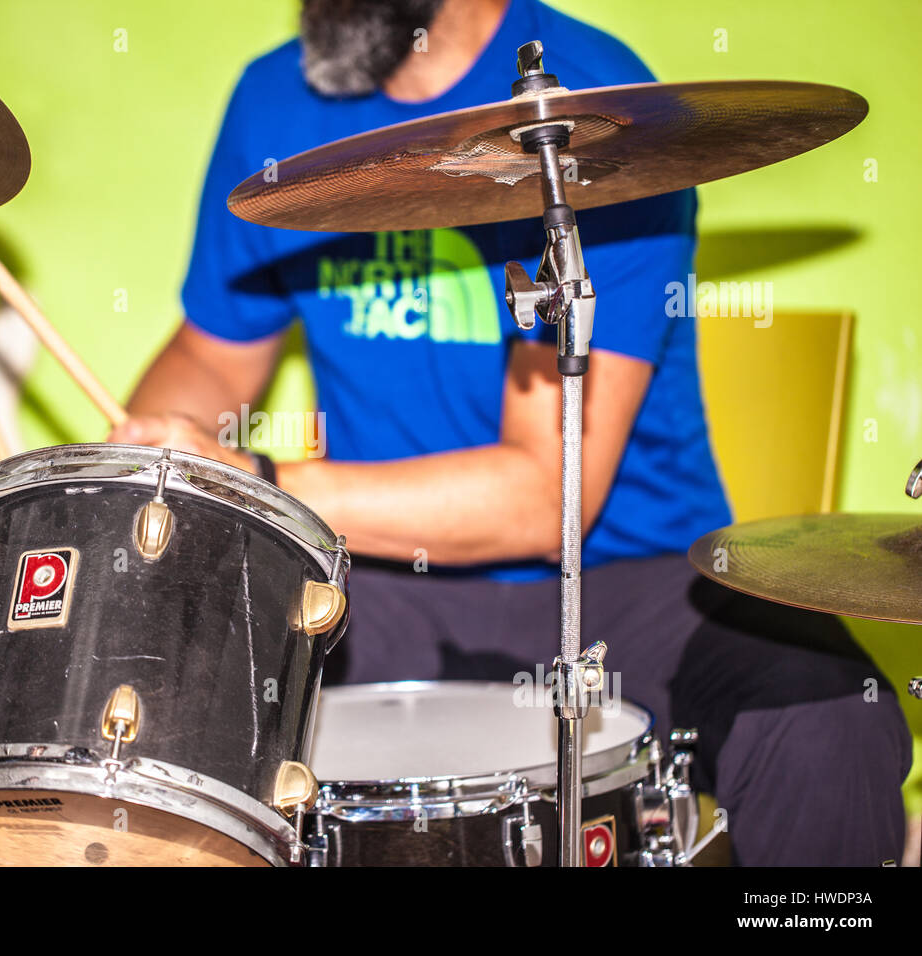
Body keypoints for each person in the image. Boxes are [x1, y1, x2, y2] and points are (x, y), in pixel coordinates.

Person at [108, 0, 911, 865]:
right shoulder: (273, 103)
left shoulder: (600, 114)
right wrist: (146, 456)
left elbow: (540, 495)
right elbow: (216, 355)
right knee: (152, 677)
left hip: (626, 578)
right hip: (379, 570)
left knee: (829, 716)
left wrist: (253, 477)